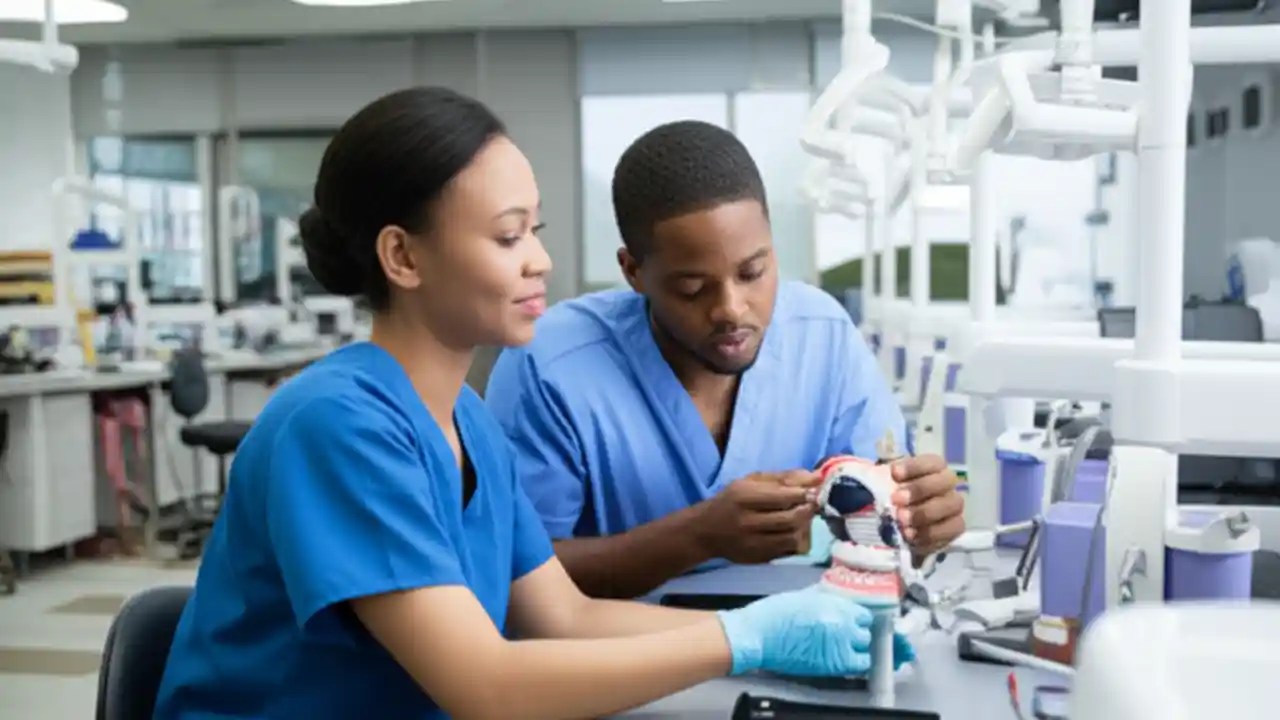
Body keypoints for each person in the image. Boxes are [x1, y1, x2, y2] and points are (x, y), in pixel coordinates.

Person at [151, 88, 910, 720]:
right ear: (403, 256)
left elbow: (563, 618)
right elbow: (486, 685)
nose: (540, 260)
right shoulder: (337, 427)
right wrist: (741, 643)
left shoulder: (468, 423)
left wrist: (763, 633)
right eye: (509, 236)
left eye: (535, 230)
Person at [485, 120, 966, 600]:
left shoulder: (823, 337)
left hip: (794, 648)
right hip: (618, 658)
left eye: (753, 272)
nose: (732, 309)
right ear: (634, 271)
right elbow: (515, 575)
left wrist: (919, 526)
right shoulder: (551, 365)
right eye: (692, 288)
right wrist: (696, 537)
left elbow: (879, 529)